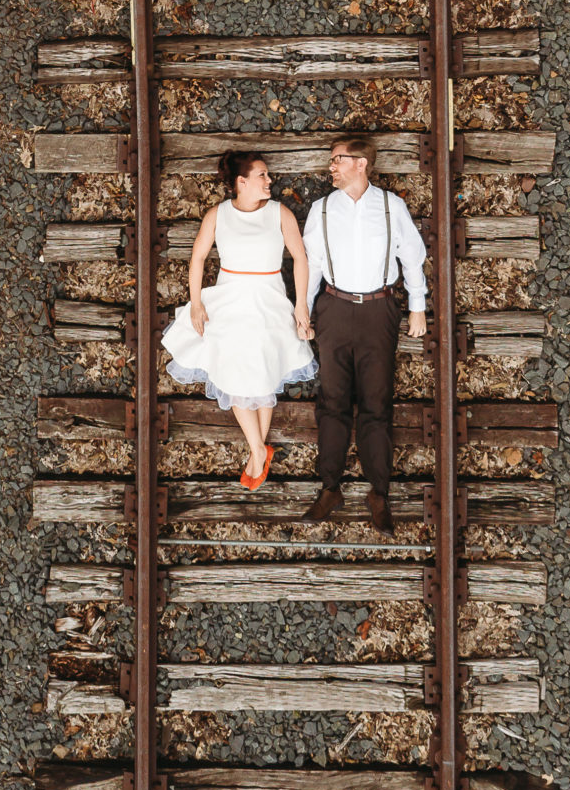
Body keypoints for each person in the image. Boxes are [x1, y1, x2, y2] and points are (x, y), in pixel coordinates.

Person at [160, 150, 316, 489]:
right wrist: (196, 302)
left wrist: (301, 306)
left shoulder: (280, 213)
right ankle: (259, 449)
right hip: (229, 296)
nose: (269, 180)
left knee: (264, 369)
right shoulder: (217, 214)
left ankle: (258, 452)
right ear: (241, 182)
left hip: (270, 297)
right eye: (262, 175)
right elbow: (198, 258)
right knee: (233, 370)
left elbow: (300, 260)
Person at [300, 129, 427, 536]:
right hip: (334, 309)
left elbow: (413, 259)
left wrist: (417, 307)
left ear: (361, 163)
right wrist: (302, 309)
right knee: (332, 400)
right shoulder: (320, 209)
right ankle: (330, 486)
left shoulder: (391, 207)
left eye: (337, 159)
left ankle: (379, 492)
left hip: (379, 310)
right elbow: (312, 265)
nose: (331, 166)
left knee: (376, 402)